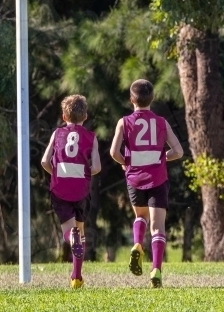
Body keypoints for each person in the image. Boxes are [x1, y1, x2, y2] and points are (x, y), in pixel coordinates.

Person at [109, 79, 184, 288]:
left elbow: (114, 152)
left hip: (135, 178)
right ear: (153, 98)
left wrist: (127, 163)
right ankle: (156, 270)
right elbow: (178, 151)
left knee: (140, 216)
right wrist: (161, 157)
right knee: (158, 227)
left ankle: (137, 245)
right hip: (158, 178)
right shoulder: (161, 122)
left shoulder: (124, 122)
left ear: (131, 99)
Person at [41, 94, 101, 289]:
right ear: (85, 116)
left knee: (70, 232)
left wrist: (56, 173)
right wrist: (85, 174)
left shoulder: (57, 133)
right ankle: (76, 277)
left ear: (63, 117)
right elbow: (97, 167)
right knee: (80, 233)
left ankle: (71, 239)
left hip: (60, 188)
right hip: (81, 189)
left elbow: (44, 161)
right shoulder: (91, 137)